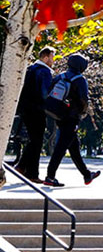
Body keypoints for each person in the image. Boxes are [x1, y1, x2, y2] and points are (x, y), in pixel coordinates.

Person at [43, 54, 100, 187]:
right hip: (72, 117)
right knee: (61, 148)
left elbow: (49, 91)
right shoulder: (80, 80)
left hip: (59, 115)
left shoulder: (61, 76)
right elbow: (84, 100)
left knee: (74, 146)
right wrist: (83, 113)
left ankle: (87, 175)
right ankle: (50, 177)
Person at [9, 46, 56, 183]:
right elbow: (45, 94)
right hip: (37, 110)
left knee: (34, 140)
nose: (53, 61)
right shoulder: (44, 71)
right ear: (45, 57)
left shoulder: (30, 69)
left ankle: (22, 166)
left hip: (25, 110)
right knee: (37, 141)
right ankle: (31, 173)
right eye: (52, 57)